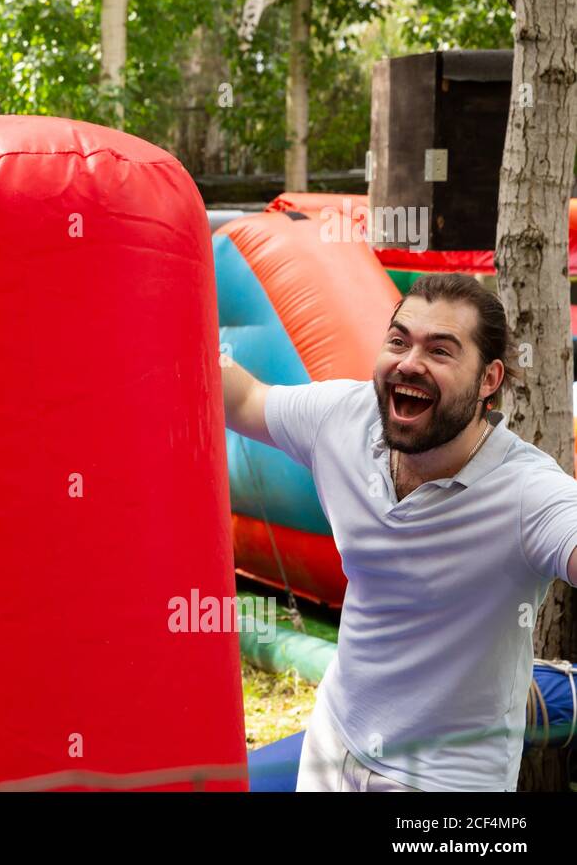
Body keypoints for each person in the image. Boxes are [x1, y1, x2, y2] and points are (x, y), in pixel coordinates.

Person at [223, 272, 577, 791]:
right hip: (334, 745)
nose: (409, 362)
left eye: (440, 350)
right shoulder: (343, 419)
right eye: (398, 340)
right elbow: (244, 399)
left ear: (489, 380)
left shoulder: (527, 492)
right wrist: (155, 318)